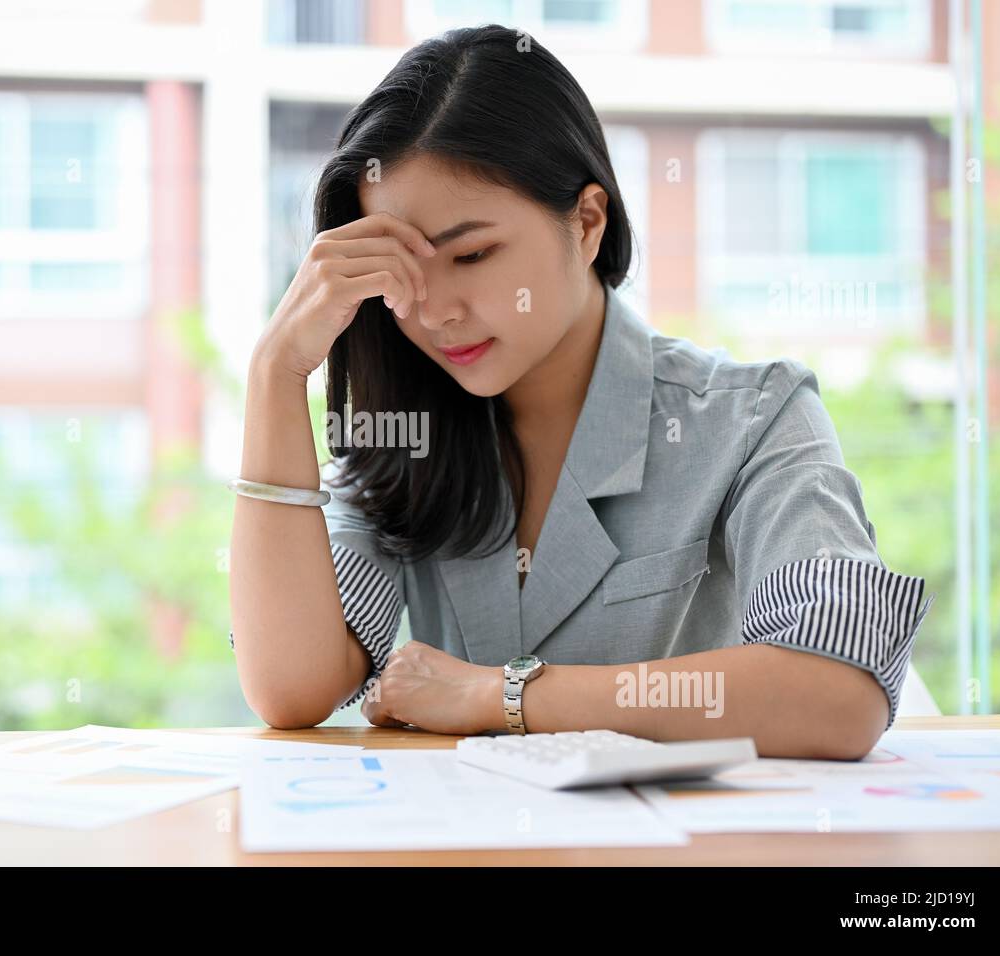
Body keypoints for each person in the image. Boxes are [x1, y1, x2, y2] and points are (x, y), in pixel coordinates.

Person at [227, 24, 932, 758]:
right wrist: (275, 373)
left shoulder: (752, 417)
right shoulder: (408, 431)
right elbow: (291, 687)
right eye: (402, 270)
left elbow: (840, 690)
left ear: (588, 222)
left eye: (471, 254)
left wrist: (503, 695)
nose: (434, 310)